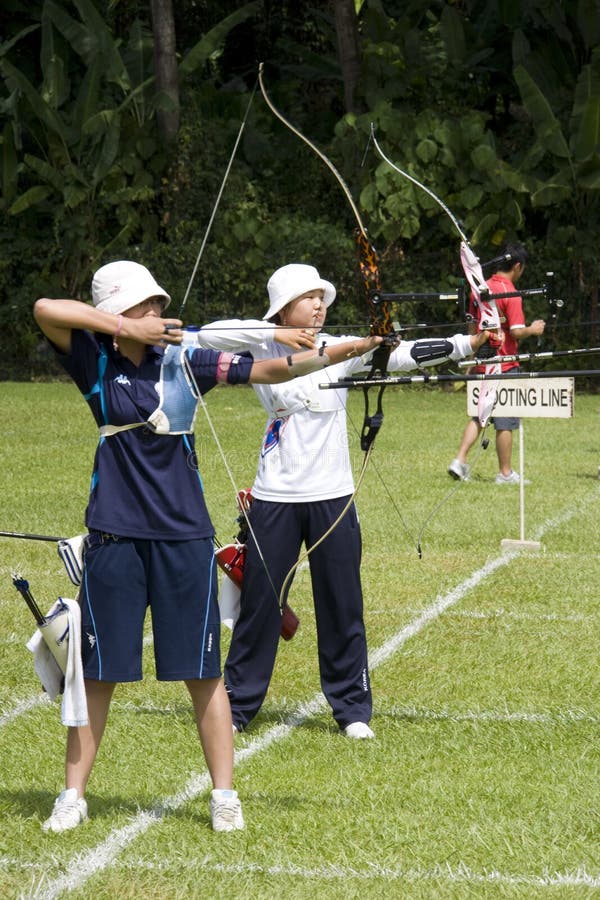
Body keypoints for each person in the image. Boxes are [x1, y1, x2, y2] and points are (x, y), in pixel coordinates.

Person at [32, 259, 383, 834]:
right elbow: (47, 309)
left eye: (157, 305)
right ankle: (72, 795)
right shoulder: (93, 360)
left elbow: (270, 369)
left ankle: (224, 794)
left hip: (184, 535)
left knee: (203, 671)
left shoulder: (186, 359)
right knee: (96, 673)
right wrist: (124, 331)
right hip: (115, 536)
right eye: (143, 306)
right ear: (117, 313)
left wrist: (337, 351)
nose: (157, 313)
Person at [196, 263, 490, 739]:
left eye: (321, 297)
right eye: (307, 297)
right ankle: (238, 705)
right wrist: (274, 331)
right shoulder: (258, 344)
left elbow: (402, 356)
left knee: (342, 603)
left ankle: (352, 709)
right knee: (260, 602)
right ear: (284, 307)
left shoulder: (339, 346)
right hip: (275, 494)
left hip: (333, 496)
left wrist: (468, 344)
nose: (318, 304)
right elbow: (207, 336)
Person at [447, 242, 546, 485]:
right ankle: (505, 473)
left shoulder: (479, 288)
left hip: (482, 360)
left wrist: (473, 358)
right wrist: (533, 329)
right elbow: (516, 331)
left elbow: (472, 327)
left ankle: (459, 461)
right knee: (505, 420)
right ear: (518, 266)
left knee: (479, 415)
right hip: (505, 364)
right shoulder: (510, 292)